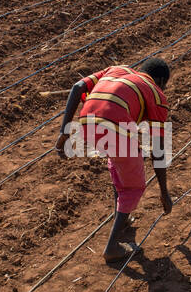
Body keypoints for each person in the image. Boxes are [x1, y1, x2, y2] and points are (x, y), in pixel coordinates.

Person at [55, 58, 174, 262]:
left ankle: (122, 218)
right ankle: (112, 247)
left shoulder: (117, 69)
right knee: (134, 186)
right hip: (116, 126)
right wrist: (164, 191)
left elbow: (77, 87)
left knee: (120, 162)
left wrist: (64, 132)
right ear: (162, 81)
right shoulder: (156, 93)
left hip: (87, 122)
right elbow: (158, 147)